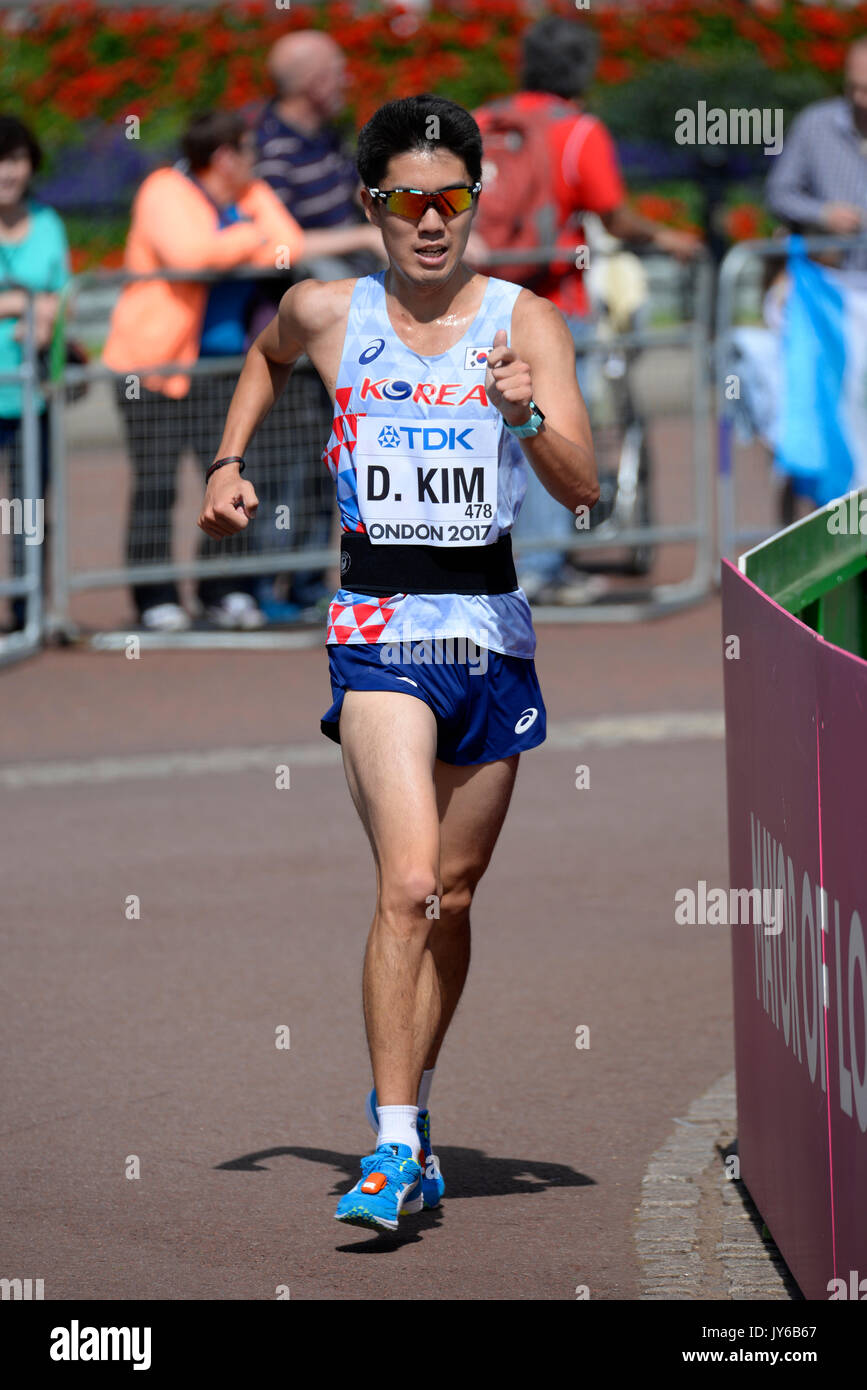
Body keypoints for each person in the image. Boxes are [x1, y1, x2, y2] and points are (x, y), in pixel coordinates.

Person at [198, 93, 599, 1231]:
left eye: (453, 199)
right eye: (409, 201)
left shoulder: (527, 324)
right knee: (410, 882)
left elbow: (585, 488)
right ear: (373, 205)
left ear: (478, 201)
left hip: (492, 630)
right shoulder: (330, 309)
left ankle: (415, 1116)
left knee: (456, 897)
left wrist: (526, 419)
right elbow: (267, 354)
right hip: (378, 626)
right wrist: (230, 461)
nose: (433, 221)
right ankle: (385, 1146)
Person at [473, 17, 700, 603]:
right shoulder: (578, 130)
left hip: (482, 296)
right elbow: (614, 215)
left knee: (493, 430)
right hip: (554, 300)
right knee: (551, 428)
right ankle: (545, 568)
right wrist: (670, 238)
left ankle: (495, 557)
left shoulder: (483, 119)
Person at [249, 30, 385, 618]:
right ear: (309, 82)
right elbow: (276, 240)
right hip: (295, 328)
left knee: (333, 457)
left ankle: (307, 583)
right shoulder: (270, 148)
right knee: (287, 461)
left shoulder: (327, 139)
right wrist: (360, 238)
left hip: (346, 325)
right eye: (336, 71)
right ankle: (266, 584)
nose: (347, 81)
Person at [0, 115, 69, 632]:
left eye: (16, 159)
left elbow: (62, 297)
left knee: (27, 508)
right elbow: (36, 299)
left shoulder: (48, 222)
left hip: (30, 399)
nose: (7, 171)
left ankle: (28, 610)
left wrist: (44, 314)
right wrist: (24, 305)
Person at [766, 36, 867, 269]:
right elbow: (778, 193)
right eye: (855, 88)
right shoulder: (815, 124)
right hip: (828, 276)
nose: (861, 100)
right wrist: (823, 214)